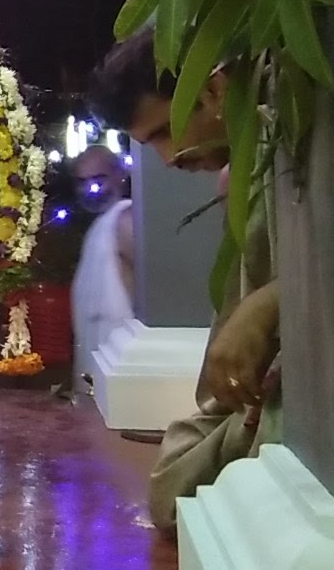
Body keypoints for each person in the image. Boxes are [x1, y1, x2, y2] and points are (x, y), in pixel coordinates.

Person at [88, 27, 280, 534]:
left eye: (162, 135)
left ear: (213, 90)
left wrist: (271, 303)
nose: (167, 160)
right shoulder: (247, 170)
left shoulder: (296, 149)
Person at [68, 145, 134, 389]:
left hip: (123, 380)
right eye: (82, 181)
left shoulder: (126, 219)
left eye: (99, 179)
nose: (90, 189)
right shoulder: (98, 228)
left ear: (121, 175)